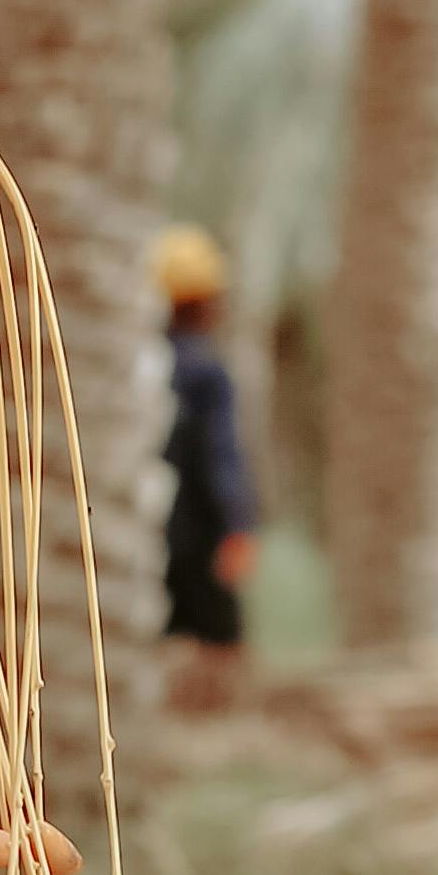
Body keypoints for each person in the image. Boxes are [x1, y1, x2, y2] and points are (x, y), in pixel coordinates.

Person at [156, 221, 262, 706]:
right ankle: (227, 732)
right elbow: (220, 458)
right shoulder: (206, 373)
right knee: (223, 644)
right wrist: (236, 526)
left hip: (153, 531)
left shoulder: (145, 365)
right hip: (201, 535)